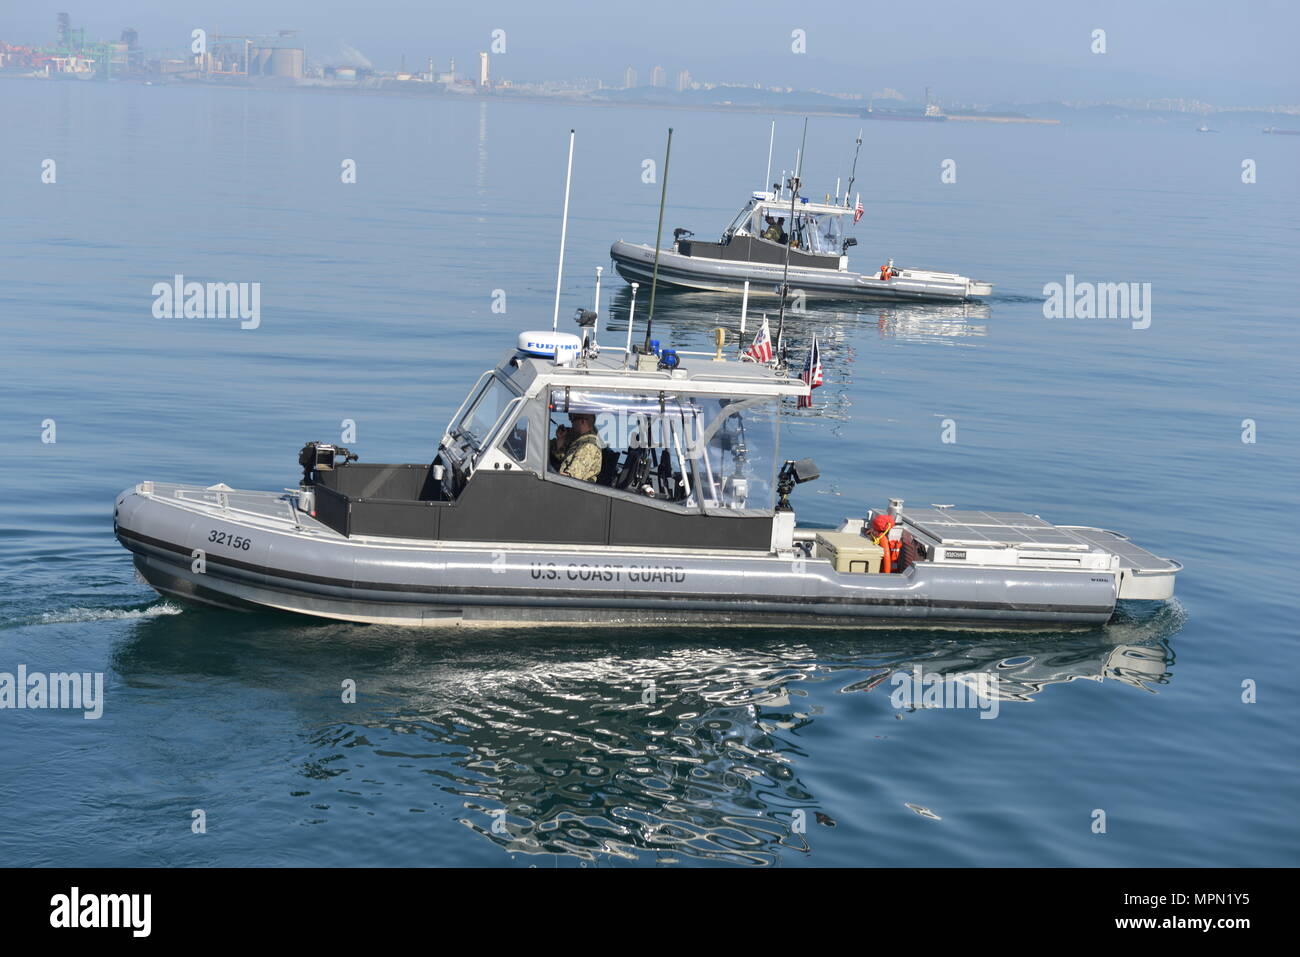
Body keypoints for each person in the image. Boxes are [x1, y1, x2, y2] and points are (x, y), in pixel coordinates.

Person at [551, 413, 604, 482]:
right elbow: (561, 460)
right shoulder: (581, 441)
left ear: (582, 421)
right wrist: (560, 440)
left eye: (573, 420)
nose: (571, 424)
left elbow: (571, 478)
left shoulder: (588, 446)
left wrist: (551, 474)